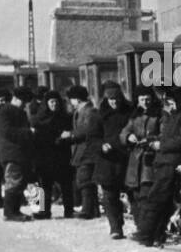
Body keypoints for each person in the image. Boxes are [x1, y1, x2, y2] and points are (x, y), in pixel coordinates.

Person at [135, 86, 181, 246]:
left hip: (172, 161)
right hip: (165, 161)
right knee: (161, 200)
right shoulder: (175, 115)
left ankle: (146, 234)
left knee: (156, 199)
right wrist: (153, 140)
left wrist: (160, 145)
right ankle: (155, 234)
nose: (168, 104)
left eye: (170, 101)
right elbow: (171, 136)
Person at [29, 90, 75, 219]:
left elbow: (70, 134)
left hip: (61, 156)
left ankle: (69, 210)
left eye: (56, 101)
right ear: (46, 103)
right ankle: (43, 211)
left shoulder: (66, 117)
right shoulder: (39, 119)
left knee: (66, 184)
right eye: (51, 102)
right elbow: (36, 138)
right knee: (44, 184)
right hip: (44, 156)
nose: (54, 104)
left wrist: (66, 136)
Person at [93, 84, 131, 239]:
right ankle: (115, 227)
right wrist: (101, 145)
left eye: (116, 99)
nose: (114, 102)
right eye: (111, 100)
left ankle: (142, 226)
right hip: (107, 161)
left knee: (134, 194)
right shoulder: (99, 115)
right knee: (110, 196)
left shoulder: (129, 112)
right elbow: (92, 138)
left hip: (126, 159)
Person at [121, 86, 160, 231]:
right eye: (142, 99)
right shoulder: (134, 115)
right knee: (135, 196)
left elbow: (165, 133)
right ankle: (140, 227)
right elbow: (124, 132)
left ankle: (146, 229)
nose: (145, 102)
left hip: (150, 160)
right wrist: (127, 137)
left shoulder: (159, 114)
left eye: (148, 99)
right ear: (137, 100)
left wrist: (151, 139)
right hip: (135, 161)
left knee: (146, 195)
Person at [0, 87, 36, 223]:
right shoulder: (5, 112)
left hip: (20, 154)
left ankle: (15, 210)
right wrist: (28, 132)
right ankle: (9, 212)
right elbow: (7, 131)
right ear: (16, 99)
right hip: (12, 153)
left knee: (20, 182)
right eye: (24, 101)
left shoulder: (19, 112)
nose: (25, 104)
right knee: (13, 182)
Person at [68, 85, 101, 219]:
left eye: (71, 99)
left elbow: (87, 131)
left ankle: (88, 210)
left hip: (88, 151)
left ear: (76, 99)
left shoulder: (89, 111)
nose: (71, 102)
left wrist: (70, 135)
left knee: (85, 180)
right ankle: (92, 209)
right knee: (84, 179)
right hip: (82, 151)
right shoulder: (82, 110)